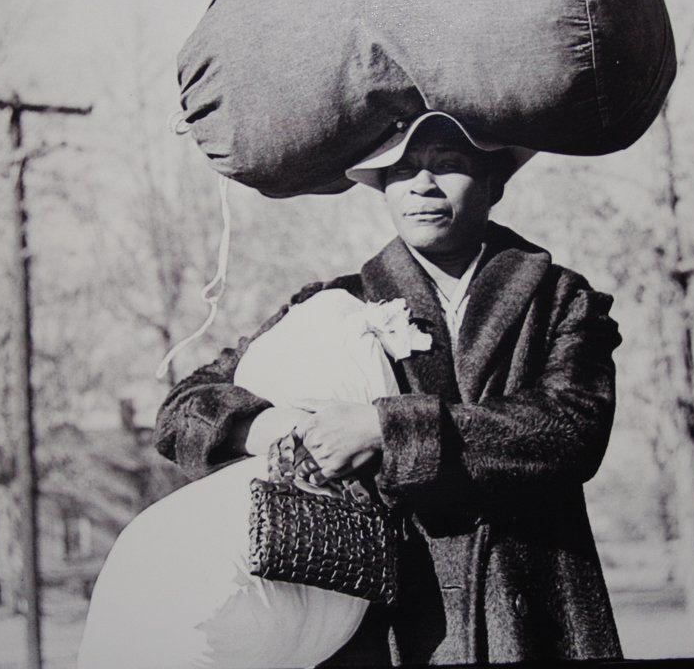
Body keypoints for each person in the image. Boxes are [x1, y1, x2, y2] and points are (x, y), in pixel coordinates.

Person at [154, 111, 623, 664]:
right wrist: (278, 428)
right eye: (401, 171)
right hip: (388, 628)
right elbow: (182, 409)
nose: (422, 185)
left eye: (448, 166)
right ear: (382, 190)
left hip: (534, 616)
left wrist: (384, 428)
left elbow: (572, 429)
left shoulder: (562, 300)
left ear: (494, 182)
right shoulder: (335, 305)